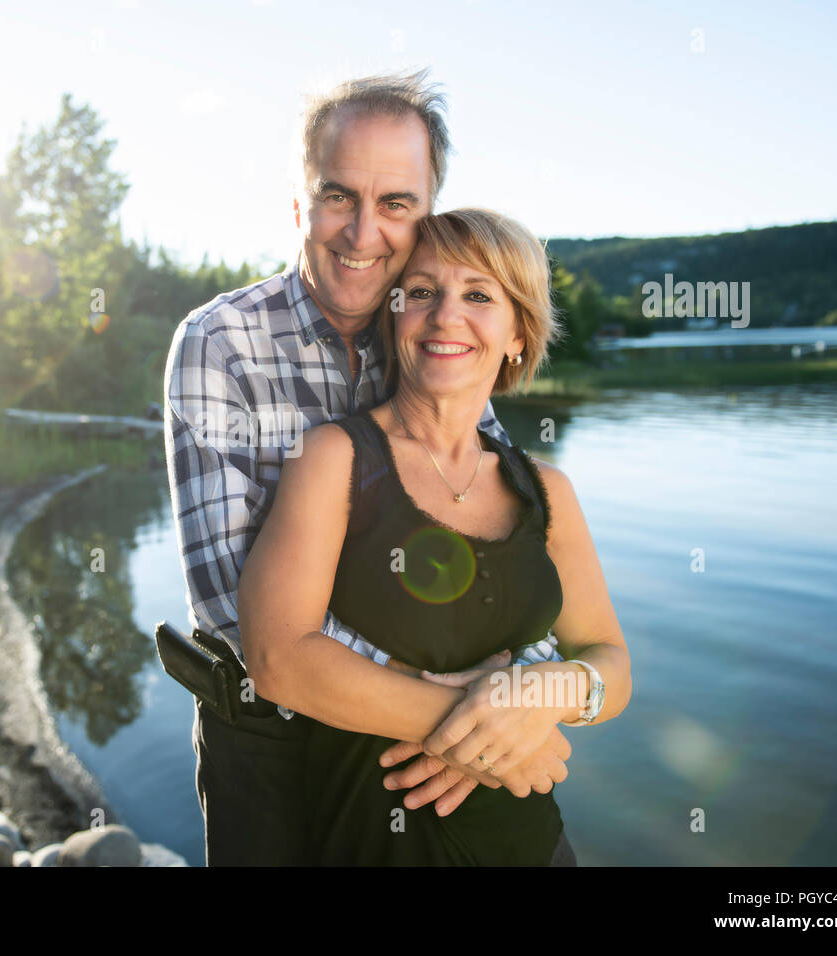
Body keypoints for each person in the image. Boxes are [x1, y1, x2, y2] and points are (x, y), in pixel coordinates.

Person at [163, 71, 574, 866]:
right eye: (337, 196)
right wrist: (454, 707)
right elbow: (231, 606)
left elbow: (507, 540)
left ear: (427, 216)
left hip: (434, 755)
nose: (362, 231)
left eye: (395, 203)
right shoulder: (221, 342)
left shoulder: (431, 335)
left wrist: (524, 693)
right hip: (272, 744)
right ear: (299, 204)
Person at [238, 207, 632, 864]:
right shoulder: (334, 460)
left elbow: (610, 662)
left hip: (532, 842)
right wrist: (486, 729)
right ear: (394, 318)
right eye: (421, 292)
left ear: (518, 332)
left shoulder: (547, 491)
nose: (446, 315)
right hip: (376, 842)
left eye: (478, 296)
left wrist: (541, 693)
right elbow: (278, 660)